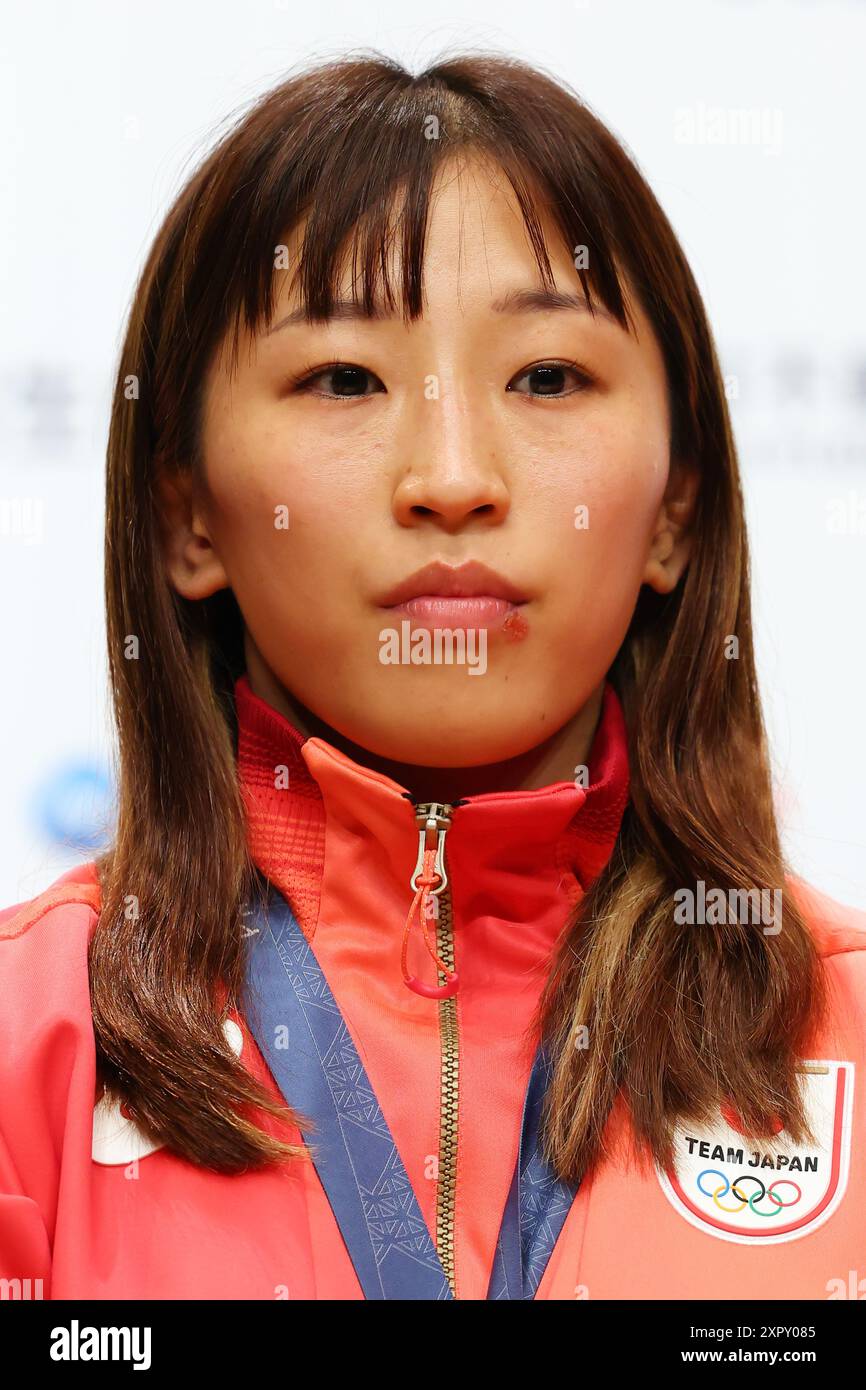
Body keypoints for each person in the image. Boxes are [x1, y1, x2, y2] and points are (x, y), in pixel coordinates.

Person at [1, 51, 863, 1302]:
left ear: (675, 504)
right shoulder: (28, 1051)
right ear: (185, 516)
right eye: (343, 378)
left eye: (547, 377)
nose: (453, 474)